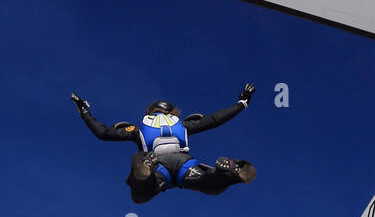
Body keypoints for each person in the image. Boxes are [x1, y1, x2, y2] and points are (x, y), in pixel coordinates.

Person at [71, 86, 257, 202]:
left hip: (158, 165)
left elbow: (103, 133)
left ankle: (144, 169)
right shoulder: (183, 125)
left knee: (141, 194)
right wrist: (242, 103)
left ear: (151, 111)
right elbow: (215, 119)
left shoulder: (138, 130)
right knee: (206, 182)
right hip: (185, 164)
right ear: (172, 113)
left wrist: (85, 112)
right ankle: (229, 171)